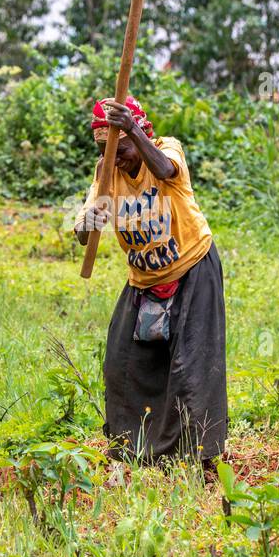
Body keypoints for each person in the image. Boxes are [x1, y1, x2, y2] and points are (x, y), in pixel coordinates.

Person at [75, 96, 228, 471]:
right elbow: (82, 233)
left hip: (192, 269)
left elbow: (165, 171)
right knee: (123, 366)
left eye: (120, 146)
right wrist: (90, 220)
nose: (117, 155)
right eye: (105, 147)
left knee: (190, 369)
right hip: (143, 281)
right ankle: (135, 452)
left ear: (139, 132)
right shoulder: (106, 171)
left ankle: (201, 460)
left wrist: (131, 131)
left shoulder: (165, 149)